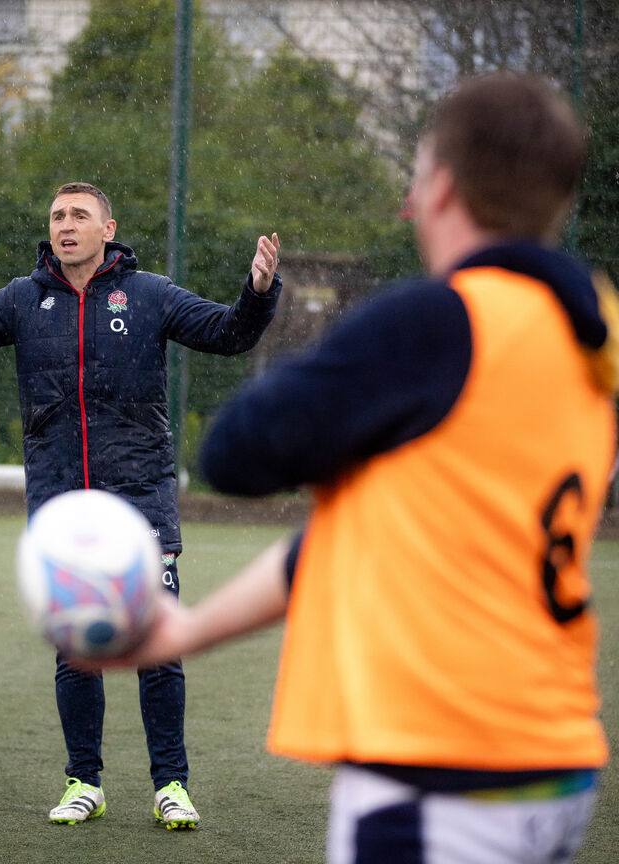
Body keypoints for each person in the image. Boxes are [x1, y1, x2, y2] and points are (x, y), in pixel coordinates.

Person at [99, 72, 619, 862]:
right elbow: (362, 535)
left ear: (439, 188)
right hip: (549, 761)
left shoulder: (439, 324)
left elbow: (235, 454)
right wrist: (192, 629)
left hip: (437, 775)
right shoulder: (589, 331)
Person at [0, 182, 281, 830]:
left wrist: (257, 290)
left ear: (109, 228)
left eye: (80, 215)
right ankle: (85, 780)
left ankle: (172, 785)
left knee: (158, 640)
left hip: (140, 497)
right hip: (61, 505)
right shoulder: (25, 300)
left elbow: (228, 334)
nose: (66, 225)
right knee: (77, 649)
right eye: (57, 216)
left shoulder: (150, 295)